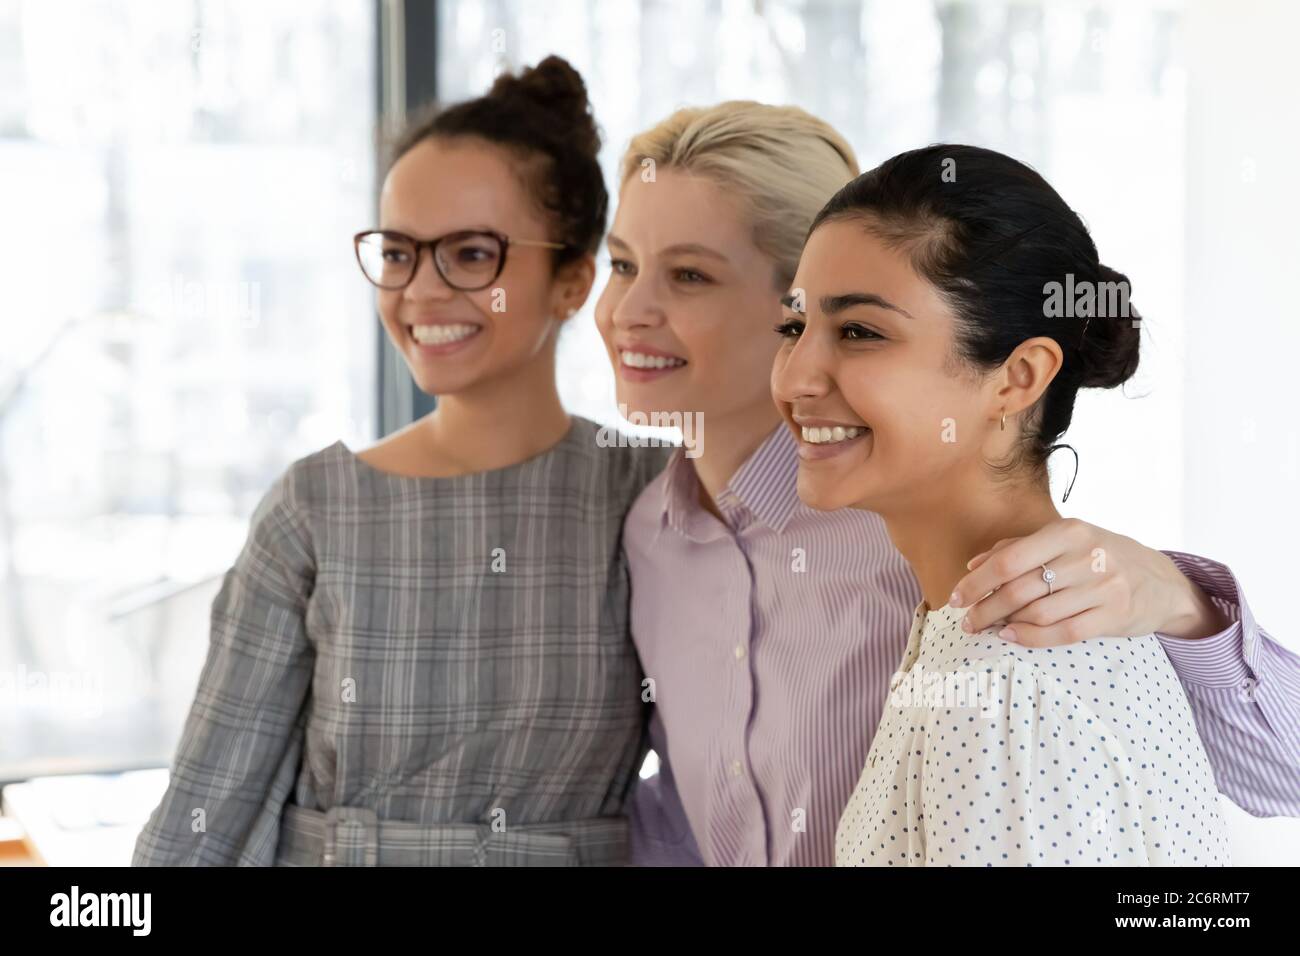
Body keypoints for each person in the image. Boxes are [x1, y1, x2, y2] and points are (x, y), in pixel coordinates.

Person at [601, 104, 1300, 866]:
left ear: (1019, 377)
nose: (627, 313)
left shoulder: (1022, 619)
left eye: (691, 274)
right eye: (797, 328)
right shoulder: (648, 533)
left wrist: (1186, 606)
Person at [133, 56, 669, 866]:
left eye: (471, 253)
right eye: (398, 253)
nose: (420, 291)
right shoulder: (317, 508)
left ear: (572, 280)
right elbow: (204, 815)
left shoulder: (652, 493)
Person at [773, 144, 1231, 865]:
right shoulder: (985, 632)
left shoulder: (1010, 681)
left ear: (1017, 377)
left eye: (859, 331)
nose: (796, 377)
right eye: (793, 327)